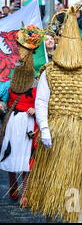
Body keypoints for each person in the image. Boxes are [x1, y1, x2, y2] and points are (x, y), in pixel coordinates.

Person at [23, 3, 82, 223]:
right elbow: (41, 102)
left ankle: (73, 218)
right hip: (57, 131)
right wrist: (45, 129)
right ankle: (51, 214)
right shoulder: (50, 72)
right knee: (53, 178)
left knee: (76, 180)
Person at [0, 25, 44, 204]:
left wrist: (37, 110)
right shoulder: (8, 84)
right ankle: (13, 187)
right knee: (11, 155)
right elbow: (3, 99)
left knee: (27, 157)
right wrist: (2, 104)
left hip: (28, 124)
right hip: (13, 122)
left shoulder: (37, 84)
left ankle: (25, 191)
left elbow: (43, 102)